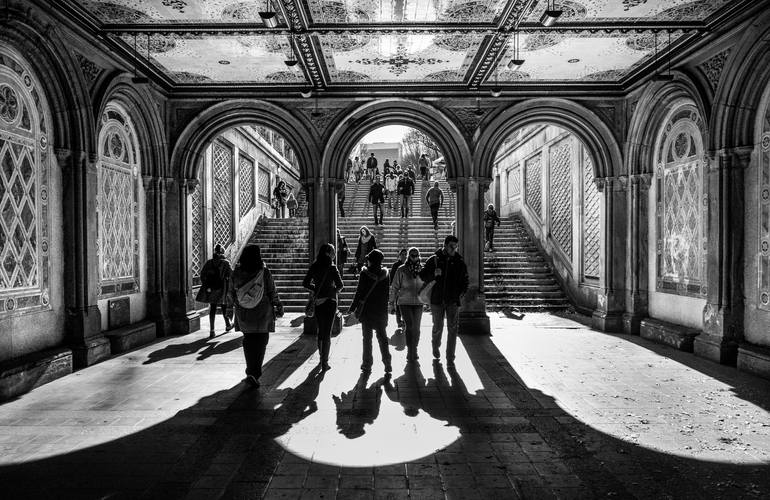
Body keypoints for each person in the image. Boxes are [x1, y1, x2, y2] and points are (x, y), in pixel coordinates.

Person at [230, 244, 284, 388]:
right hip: (262, 312)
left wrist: (234, 306)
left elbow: (231, 293)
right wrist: (278, 304)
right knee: (261, 341)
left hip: (244, 312)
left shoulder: (236, 273)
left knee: (248, 341)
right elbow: (272, 290)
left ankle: (250, 371)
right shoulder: (264, 272)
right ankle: (255, 372)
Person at [419, 235, 469, 366]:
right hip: (437, 300)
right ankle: (435, 347)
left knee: (453, 329)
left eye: (456, 247)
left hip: (452, 301)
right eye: (452, 246)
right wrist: (433, 274)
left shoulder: (459, 261)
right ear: (445, 245)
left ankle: (450, 357)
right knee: (438, 327)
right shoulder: (434, 259)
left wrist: (459, 294)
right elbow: (422, 275)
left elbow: (465, 281)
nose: (454, 249)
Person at [349, 249, 391, 374]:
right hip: (381, 311)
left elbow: (359, 292)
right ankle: (387, 363)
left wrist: (352, 308)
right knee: (382, 338)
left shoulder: (365, 274)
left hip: (367, 311)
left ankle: (367, 364)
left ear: (371, 261)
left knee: (367, 339)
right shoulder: (385, 274)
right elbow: (386, 295)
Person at [303, 243, 344, 371]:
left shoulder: (314, 266)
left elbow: (305, 283)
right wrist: (332, 291)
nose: (334, 254)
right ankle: (325, 362)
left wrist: (315, 289)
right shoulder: (332, 267)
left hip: (319, 301)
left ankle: (321, 358)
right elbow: (340, 285)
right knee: (328, 332)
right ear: (327, 253)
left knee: (320, 330)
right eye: (332, 251)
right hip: (331, 301)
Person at [389, 247, 424, 362]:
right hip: (404, 301)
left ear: (419, 256)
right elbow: (394, 286)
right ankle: (410, 350)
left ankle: (415, 349)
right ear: (409, 256)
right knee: (410, 326)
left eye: (416, 255)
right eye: (412, 255)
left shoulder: (422, 269)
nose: (414, 257)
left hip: (419, 302)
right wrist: (391, 302)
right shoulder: (401, 269)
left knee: (417, 328)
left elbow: (427, 284)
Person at [196, 244, 234, 338]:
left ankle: (212, 330)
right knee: (224, 307)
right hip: (222, 288)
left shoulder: (209, 262)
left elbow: (202, 274)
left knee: (212, 308)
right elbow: (232, 274)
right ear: (222, 252)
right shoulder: (226, 263)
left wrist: (207, 285)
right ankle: (228, 325)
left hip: (211, 289)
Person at [389, 249, 407, 331]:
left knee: (404, 306)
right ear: (399, 256)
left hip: (407, 290)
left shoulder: (408, 264)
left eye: (405, 254)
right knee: (398, 306)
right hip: (398, 289)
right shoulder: (396, 265)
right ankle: (399, 321)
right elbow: (392, 276)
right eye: (402, 254)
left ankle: (404, 321)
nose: (404, 256)